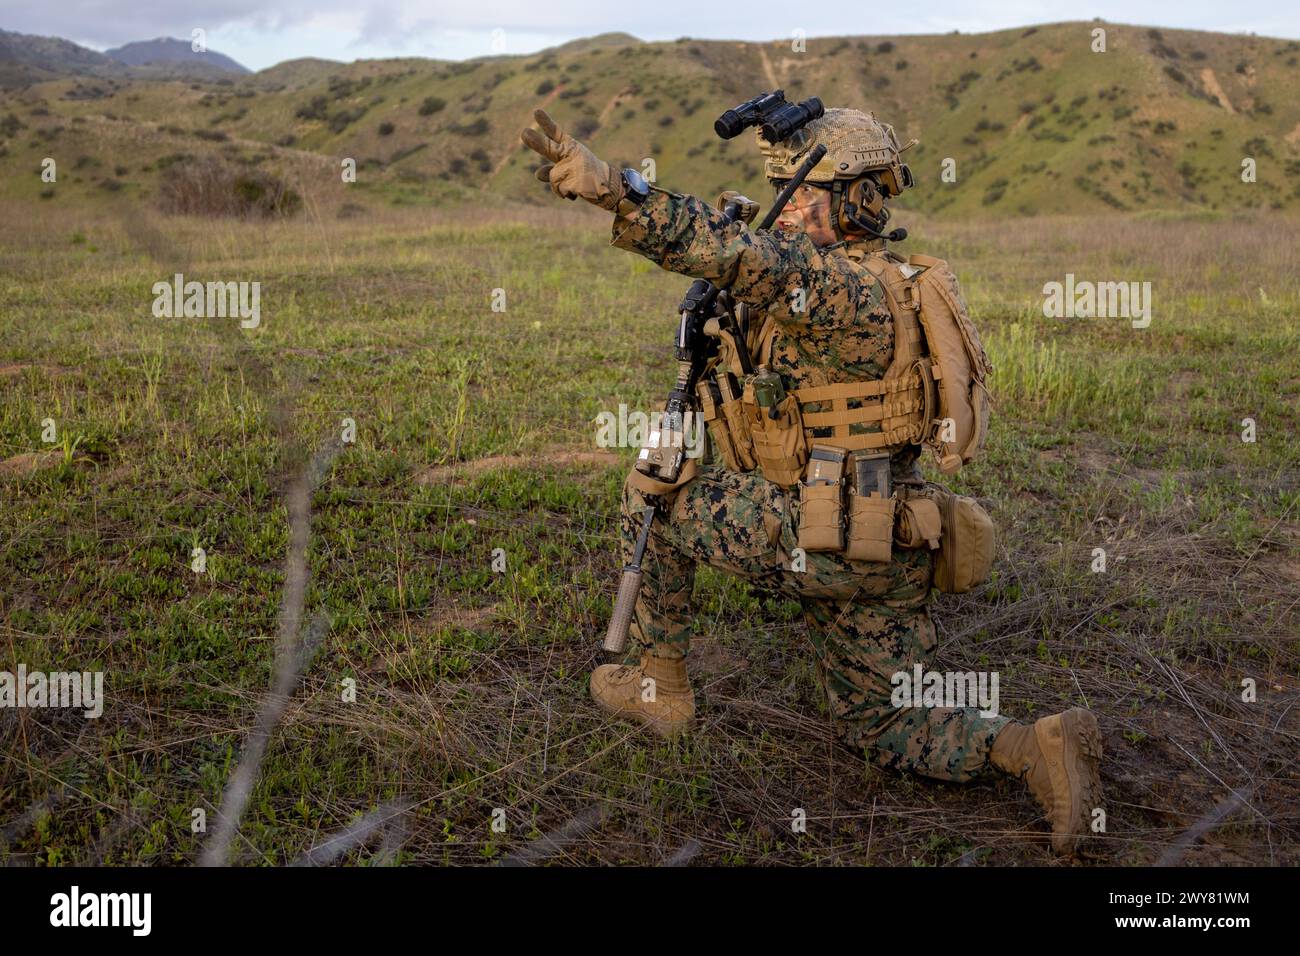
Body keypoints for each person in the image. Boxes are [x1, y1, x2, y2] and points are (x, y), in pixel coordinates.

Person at [520, 106, 1103, 856]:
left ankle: (660, 687)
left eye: (805, 193)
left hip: (819, 540)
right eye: (782, 191)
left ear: (860, 200)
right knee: (882, 721)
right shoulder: (895, 280)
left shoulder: (832, 289)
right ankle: (1033, 748)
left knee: (655, 490)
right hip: (889, 545)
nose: (788, 208)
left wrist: (614, 188)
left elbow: (730, 250)